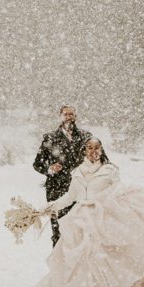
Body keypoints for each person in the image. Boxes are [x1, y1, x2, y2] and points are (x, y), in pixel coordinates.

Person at [32, 136, 144, 287]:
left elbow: (117, 193)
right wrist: (47, 208)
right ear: (83, 151)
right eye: (90, 148)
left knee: (103, 256)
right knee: (81, 258)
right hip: (80, 219)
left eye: (97, 147)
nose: (94, 151)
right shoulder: (76, 172)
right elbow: (70, 197)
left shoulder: (110, 171)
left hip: (101, 218)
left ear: (102, 150)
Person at [32, 105, 90, 247]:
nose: (68, 117)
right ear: (60, 116)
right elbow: (37, 163)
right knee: (58, 230)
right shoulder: (50, 138)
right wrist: (49, 169)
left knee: (80, 229)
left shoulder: (85, 137)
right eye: (65, 114)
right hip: (56, 189)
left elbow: (95, 159)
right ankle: (60, 265)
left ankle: (79, 266)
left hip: (80, 189)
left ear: (75, 116)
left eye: (71, 114)